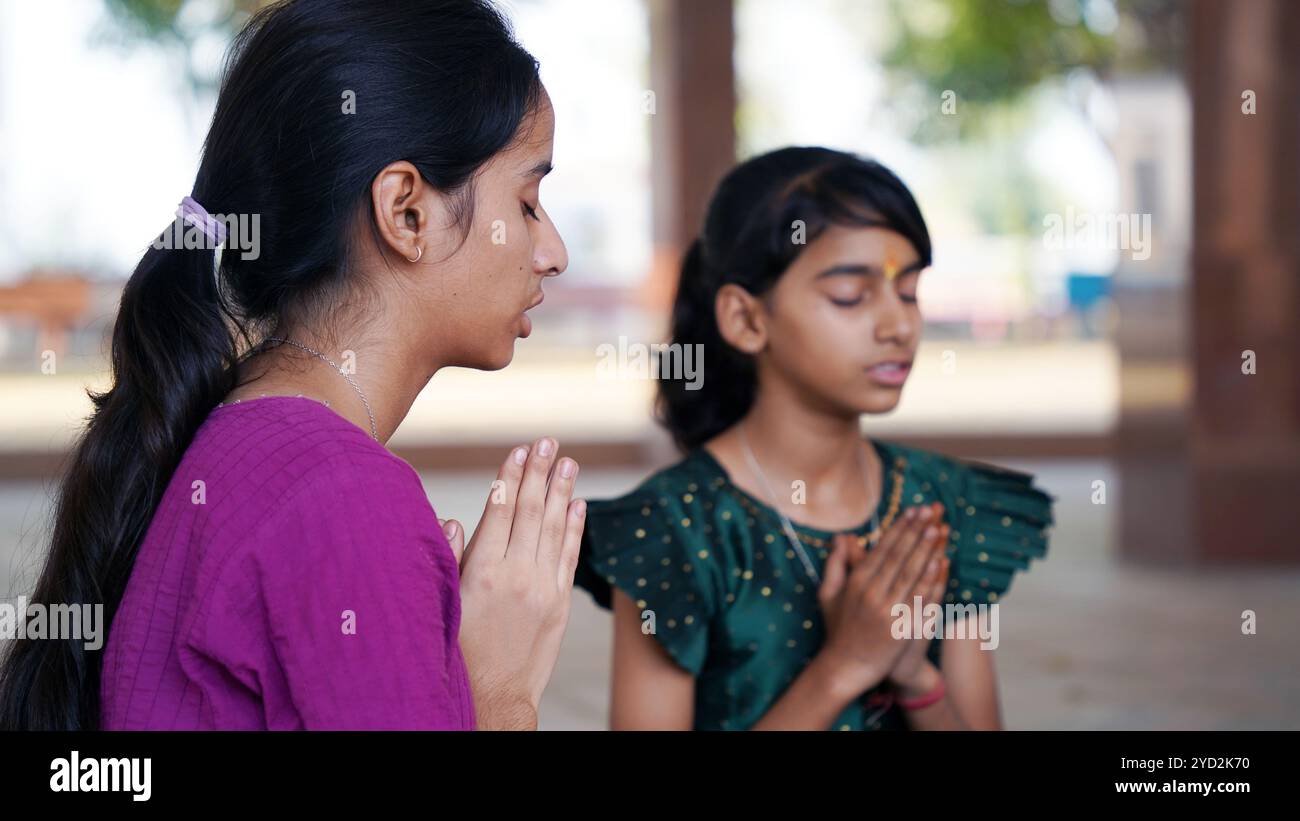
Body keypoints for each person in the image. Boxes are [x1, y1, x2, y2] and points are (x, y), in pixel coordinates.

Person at [0, 0, 580, 730]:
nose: (554, 251)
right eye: (527, 201)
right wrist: (498, 692)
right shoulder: (347, 500)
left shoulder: (234, 434)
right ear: (407, 212)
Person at [574, 147, 1056, 730]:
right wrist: (845, 665)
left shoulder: (939, 506)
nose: (899, 325)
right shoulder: (673, 530)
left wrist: (915, 678)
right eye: (850, 296)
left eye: (908, 292)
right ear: (747, 320)